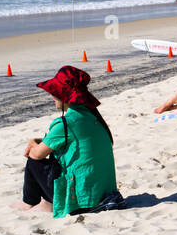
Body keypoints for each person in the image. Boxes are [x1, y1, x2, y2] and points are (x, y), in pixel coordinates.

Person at [17, 65, 119, 218]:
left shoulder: (66, 123)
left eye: (54, 92)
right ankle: (43, 202)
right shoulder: (92, 116)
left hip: (83, 201)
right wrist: (40, 141)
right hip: (105, 193)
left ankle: (29, 203)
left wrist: (32, 143)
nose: (52, 96)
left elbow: (36, 155)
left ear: (62, 95)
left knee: (34, 162)